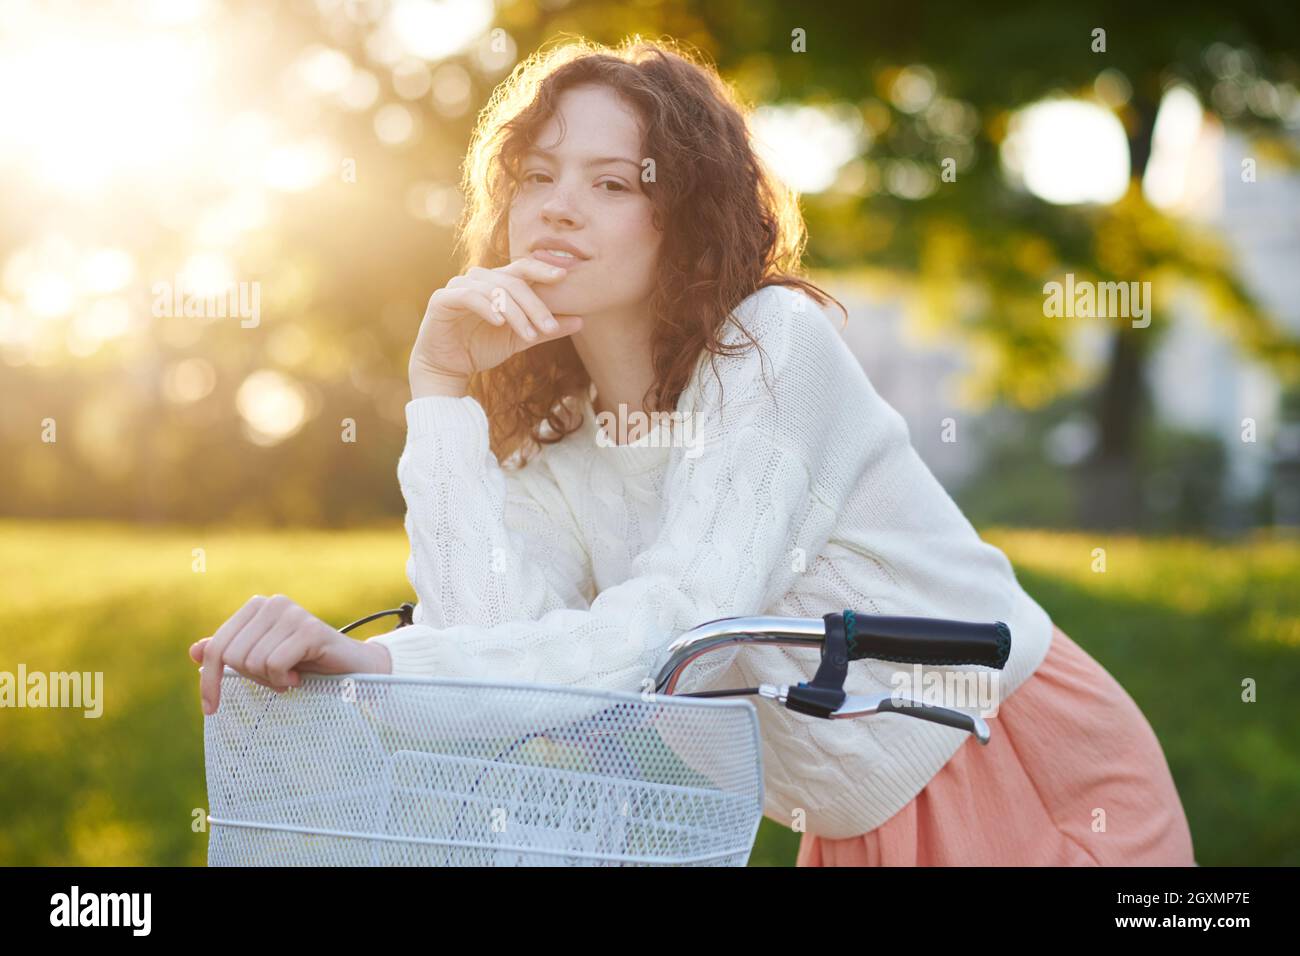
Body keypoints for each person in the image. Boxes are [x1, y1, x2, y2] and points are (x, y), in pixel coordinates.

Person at [189, 36, 1195, 866]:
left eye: (613, 182)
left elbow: (677, 622)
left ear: (685, 217)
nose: (559, 205)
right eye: (536, 176)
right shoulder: (555, 437)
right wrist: (440, 390)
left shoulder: (771, 347)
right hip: (847, 824)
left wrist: (378, 659)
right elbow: (493, 649)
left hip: (1010, 757)